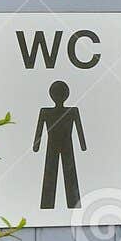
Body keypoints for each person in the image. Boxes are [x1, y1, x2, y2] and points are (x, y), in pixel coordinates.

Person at [32, 80, 86, 209]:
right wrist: (83, 145)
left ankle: (49, 204)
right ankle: (61, 204)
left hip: (58, 146)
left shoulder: (49, 112)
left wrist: (36, 146)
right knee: (64, 174)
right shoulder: (69, 111)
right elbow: (80, 133)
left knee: (57, 174)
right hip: (63, 145)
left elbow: (38, 134)